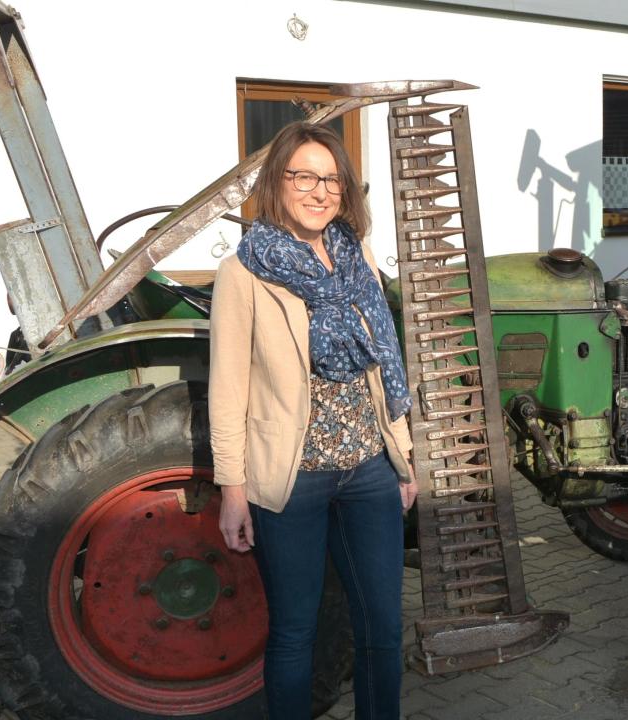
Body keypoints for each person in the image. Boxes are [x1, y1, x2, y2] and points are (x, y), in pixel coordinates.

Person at [210, 121, 417, 720]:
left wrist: (402, 458)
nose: (319, 190)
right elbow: (227, 390)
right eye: (304, 175)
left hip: (369, 468)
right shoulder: (245, 272)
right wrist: (232, 489)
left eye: (330, 178)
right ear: (279, 182)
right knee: (296, 631)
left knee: (383, 625)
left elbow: (383, 364)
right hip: (291, 477)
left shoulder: (358, 258)